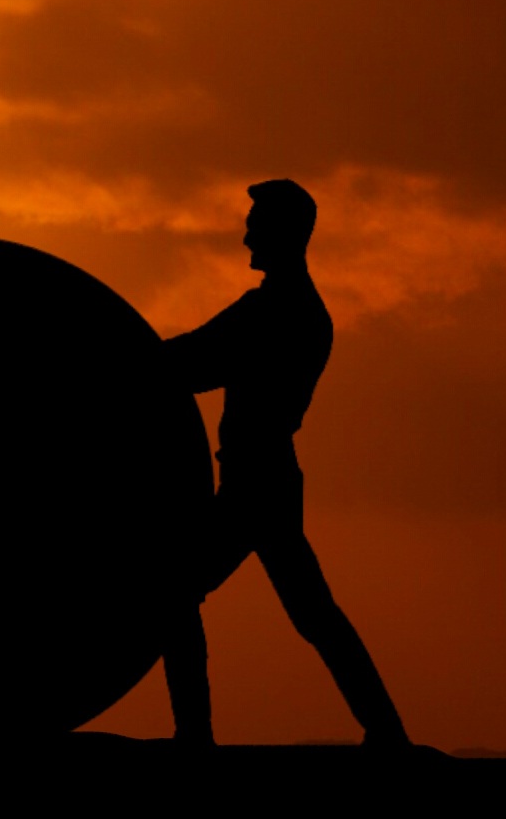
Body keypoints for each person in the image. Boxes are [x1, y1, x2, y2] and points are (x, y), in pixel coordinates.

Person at [164, 179, 409, 748]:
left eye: (256, 220)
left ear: (282, 232)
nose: (246, 231)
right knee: (314, 614)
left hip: (256, 482)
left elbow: (192, 362)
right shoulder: (301, 308)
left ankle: (194, 736)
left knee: (176, 592)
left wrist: (116, 356)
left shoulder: (275, 310)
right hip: (268, 478)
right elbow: (197, 361)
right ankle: (386, 732)